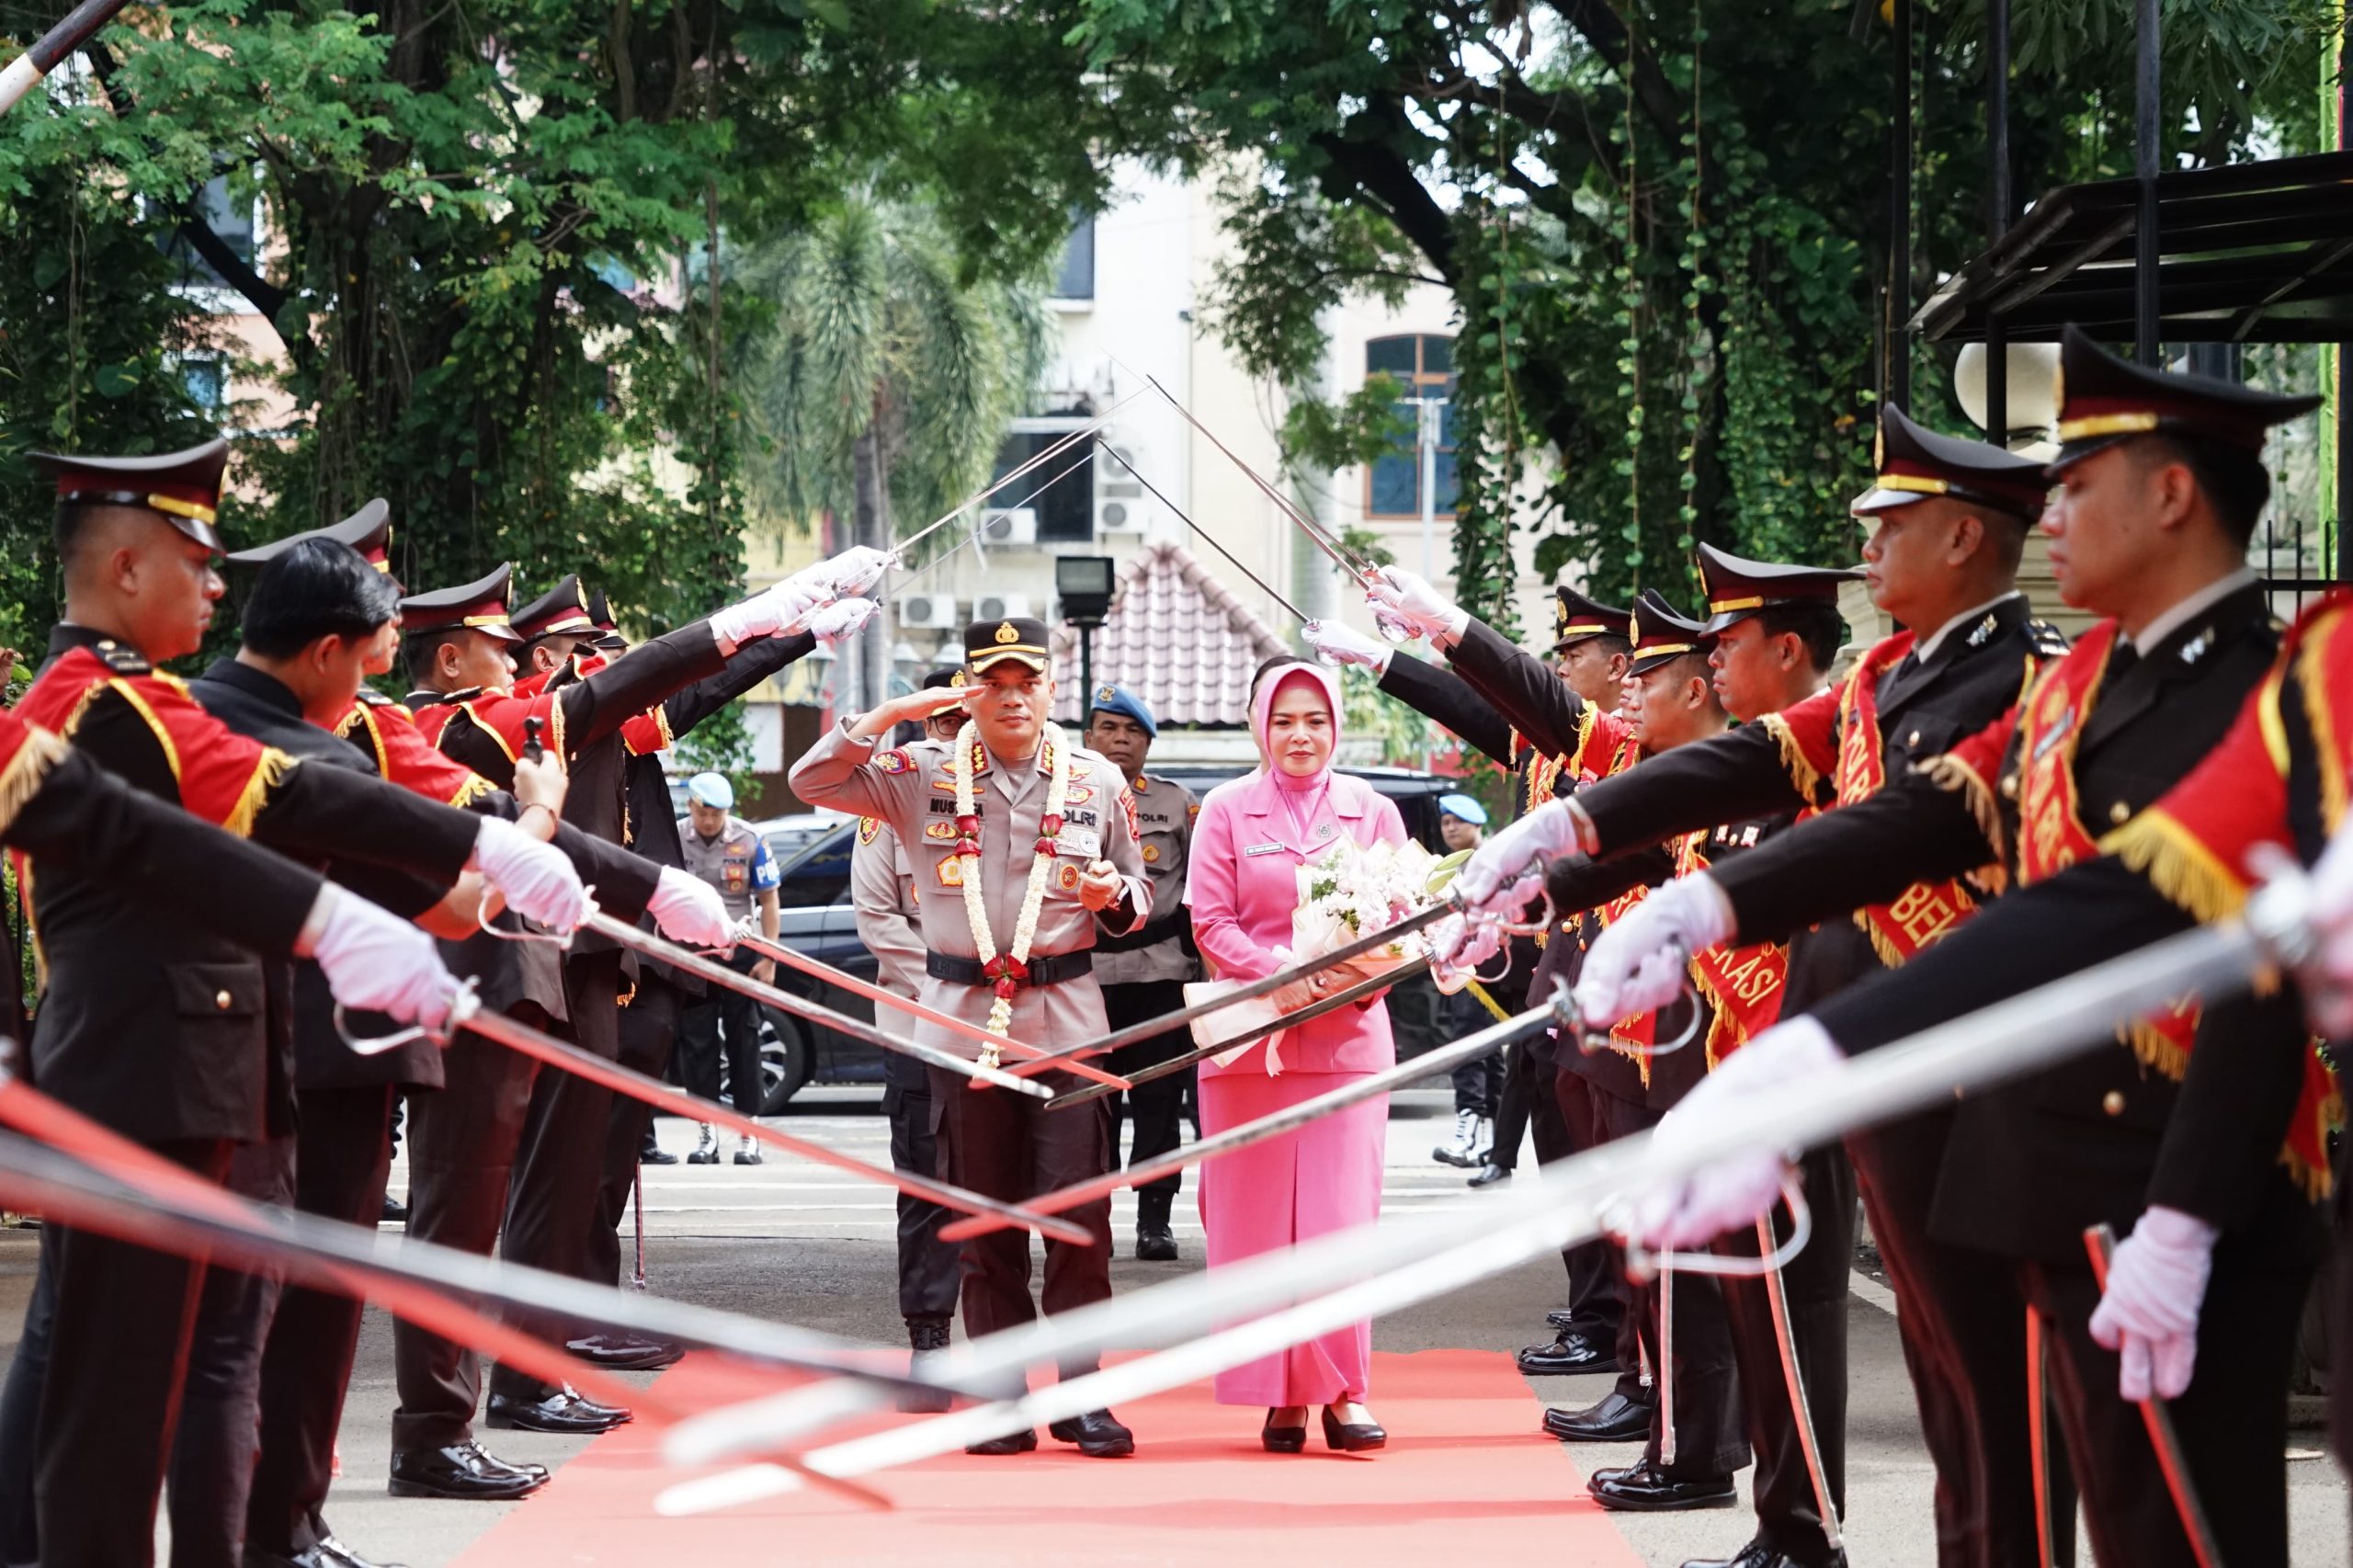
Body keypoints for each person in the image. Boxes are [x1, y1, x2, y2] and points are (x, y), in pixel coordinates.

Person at [1583, 326, 2329, 1566]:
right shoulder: (2086, 685)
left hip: (2168, 1194)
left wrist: (2188, 1215)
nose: (2054, 514)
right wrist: (1695, 902)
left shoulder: (2255, 692)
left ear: (2175, 493)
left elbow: (2239, 976)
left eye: (2078, 484)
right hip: (2042, 1167)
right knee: (2007, 1479)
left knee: (2177, 1536)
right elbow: (1911, 819)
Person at [1448, 403, 2067, 1568]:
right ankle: (1816, 1531)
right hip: (1855, 1062)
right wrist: (1569, 821)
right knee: (1946, 1377)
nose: (1867, 540)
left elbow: (1892, 830)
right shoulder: (1892, 675)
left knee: (2001, 1390)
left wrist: (1705, 903)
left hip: (1967, 1076)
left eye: (1895, 519)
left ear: (1968, 541)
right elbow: (1741, 762)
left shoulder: (2020, 682)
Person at [0, 441, 593, 1565]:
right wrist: (395, 891)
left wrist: (427, 876)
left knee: (128, 1374)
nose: (219, 587)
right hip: (138, 1068)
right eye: (198, 559)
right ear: (127, 569)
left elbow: (205, 836)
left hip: (169, 1062)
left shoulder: (119, 700)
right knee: (114, 1402)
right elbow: (259, 805)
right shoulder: (97, 705)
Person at [385, 551, 862, 1490]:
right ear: (452, 661)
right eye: (505, 642)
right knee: (469, 1207)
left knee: (546, 1189)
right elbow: (636, 695)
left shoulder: (508, 722)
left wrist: (787, 626)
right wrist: (755, 615)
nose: (554, 662)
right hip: (480, 976)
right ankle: (443, 1421)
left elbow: (656, 700)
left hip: (544, 970)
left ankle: (511, 1380)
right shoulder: (461, 723)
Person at [789, 614, 1150, 1459]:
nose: (1013, 697)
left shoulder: (1095, 781)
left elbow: (1139, 896)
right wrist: (889, 717)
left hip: (1068, 1026)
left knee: (1079, 1221)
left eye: (1029, 682)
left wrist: (1111, 897)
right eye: (994, 683)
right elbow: (811, 782)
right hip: (959, 1026)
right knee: (983, 1224)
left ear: (1052, 690)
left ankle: (1082, 1396)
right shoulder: (918, 775)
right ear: (970, 692)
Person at [1307, 587, 1632, 1375]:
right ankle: (1597, 1306)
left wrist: (1442, 626)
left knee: (1603, 1151)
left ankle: (1616, 1319)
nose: (1558, 669)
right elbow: (1475, 708)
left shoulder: (1616, 744)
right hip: (1555, 964)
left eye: (1573, 658)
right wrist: (1386, 661)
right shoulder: (1545, 746)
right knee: (1562, 1144)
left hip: (1614, 970)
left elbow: (1514, 686)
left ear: (1619, 669)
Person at [1184, 657, 1406, 1454]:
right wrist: (1284, 974)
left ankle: (1343, 1391)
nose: (1300, 735)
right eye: (1284, 720)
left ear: (1336, 726)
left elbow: (1398, 924)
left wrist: (1344, 981)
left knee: (1341, 1223)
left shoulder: (1372, 811)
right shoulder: (1226, 810)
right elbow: (1210, 924)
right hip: (1250, 1046)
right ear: (1259, 725)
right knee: (1252, 1228)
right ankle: (1279, 1394)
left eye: (1314, 719)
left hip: (1347, 1040)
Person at [848, 674, 964, 1410]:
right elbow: (876, 918)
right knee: (927, 1187)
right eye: (934, 725)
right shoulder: (887, 812)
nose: (945, 737)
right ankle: (929, 1339)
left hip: (1004, 1028)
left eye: (957, 721)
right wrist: (948, 988)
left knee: (998, 1186)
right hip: (921, 1024)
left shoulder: (1010, 802)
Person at [1081, 680, 1199, 1262]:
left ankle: (1156, 1220)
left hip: (1159, 978)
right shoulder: (1061, 797)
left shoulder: (1178, 805)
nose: (1120, 740)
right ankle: (1092, 1218)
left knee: (1159, 1106)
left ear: (1148, 745)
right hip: (1084, 981)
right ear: (1088, 736)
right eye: (1109, 728)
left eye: (1133, 732)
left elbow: (1200, 896)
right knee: (1090, 1109)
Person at [675, 771, 782, 1165]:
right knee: (697, 1045)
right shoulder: (674, 837)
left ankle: (748, 1134)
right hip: (693, 956)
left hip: (740, 955)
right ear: (691, 806)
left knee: (746, 1041)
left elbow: (768, 899)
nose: (710, 821)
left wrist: (770, 956)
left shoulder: (749, 840)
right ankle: (706, 1134)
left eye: (718, 814)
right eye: (704, 813)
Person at [1429, 793, 1502, 1167]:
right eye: (1445, 822)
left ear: (1477, 823)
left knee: (1471, 1047)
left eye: (1458, 820)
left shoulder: (1490, 861)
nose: (1451, 827)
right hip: (1462, 968)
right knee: (1485, 1051)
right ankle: (1491, 1142)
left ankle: (1471, 1134)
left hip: (1483, 967)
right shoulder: (1446, 868)